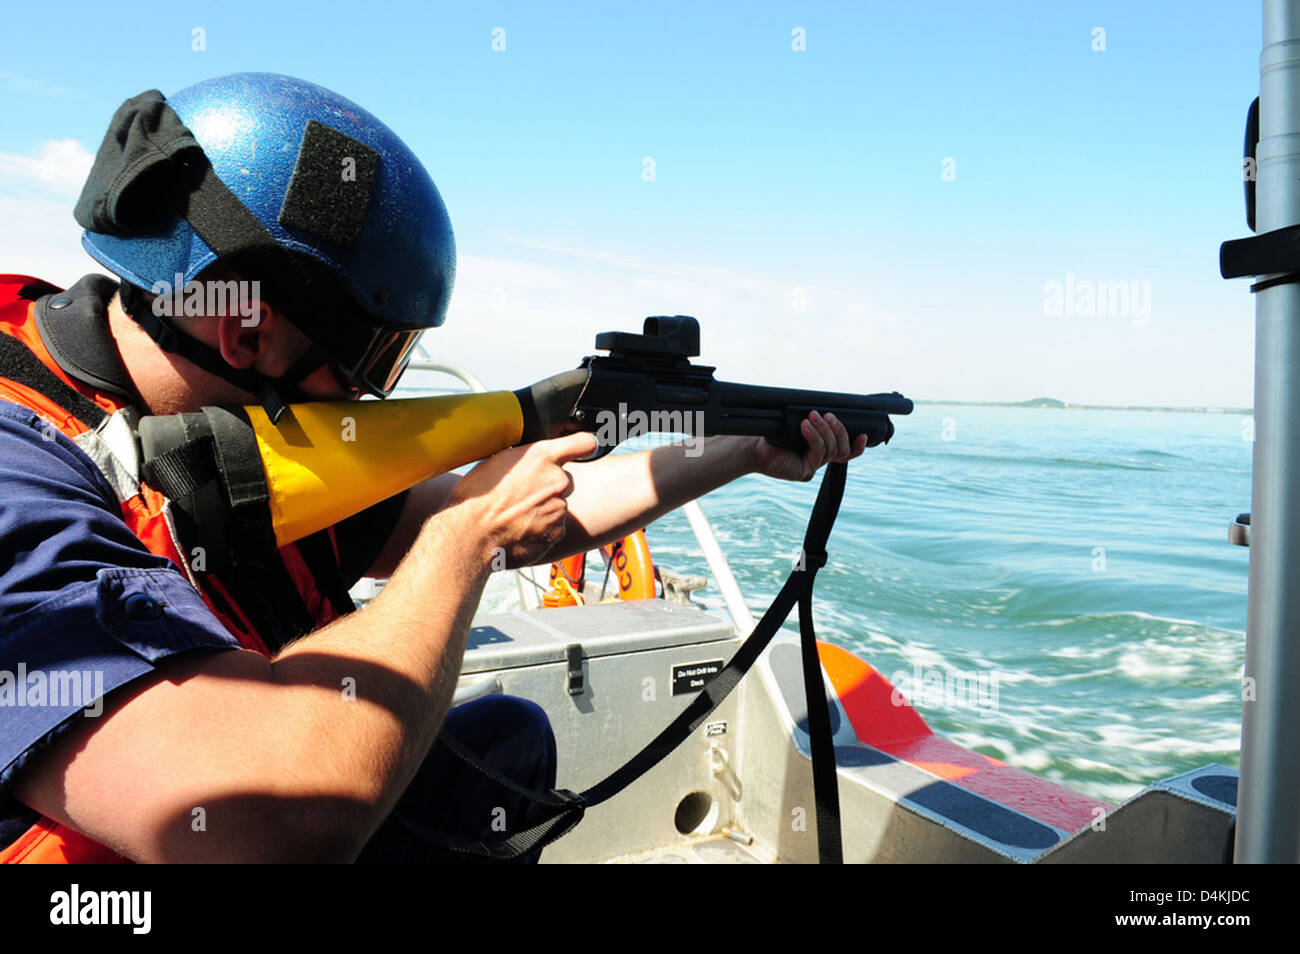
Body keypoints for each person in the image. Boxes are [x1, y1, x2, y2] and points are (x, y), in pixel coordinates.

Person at [0, 72, 866, 863]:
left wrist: (734, 453)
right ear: (248, 328)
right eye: (373, 356)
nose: (372, 396)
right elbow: (268, 827)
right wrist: (465, 540)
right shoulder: (18, 471)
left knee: (505, 747)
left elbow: (532, 521)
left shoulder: (209, 434)